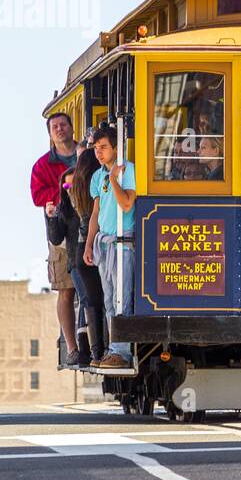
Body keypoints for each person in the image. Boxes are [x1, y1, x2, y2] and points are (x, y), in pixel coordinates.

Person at [83, 126, 137, 370]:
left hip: (122, 242)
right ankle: (112, 347)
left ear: (116, 147)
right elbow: (95, 212)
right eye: (95, 148)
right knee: (109, 298)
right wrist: (88, 244)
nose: (99, 153)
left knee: (121, 297)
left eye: (103, 147)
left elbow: (126, 204)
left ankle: (122, 351)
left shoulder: (127, 170)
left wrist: (114, 178)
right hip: (104, 242)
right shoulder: (97, 177)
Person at [30, 112, 79, 360]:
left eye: (63, 125)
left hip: (92, 226)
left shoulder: (86, 154)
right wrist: (67, 189)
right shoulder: (42, 165)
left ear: (72, 128)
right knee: (66, 289)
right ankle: (71, 347)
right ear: (50, 133)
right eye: (54, 127)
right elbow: (38, 196)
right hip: (61, 235)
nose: (59, 129)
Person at [68, 150, 107, 363]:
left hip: (80, 249)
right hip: (94, 246)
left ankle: (96, 352)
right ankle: (104, 349)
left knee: (91, 301)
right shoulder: (96, 188)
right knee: (105, 300)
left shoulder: (76, 190)